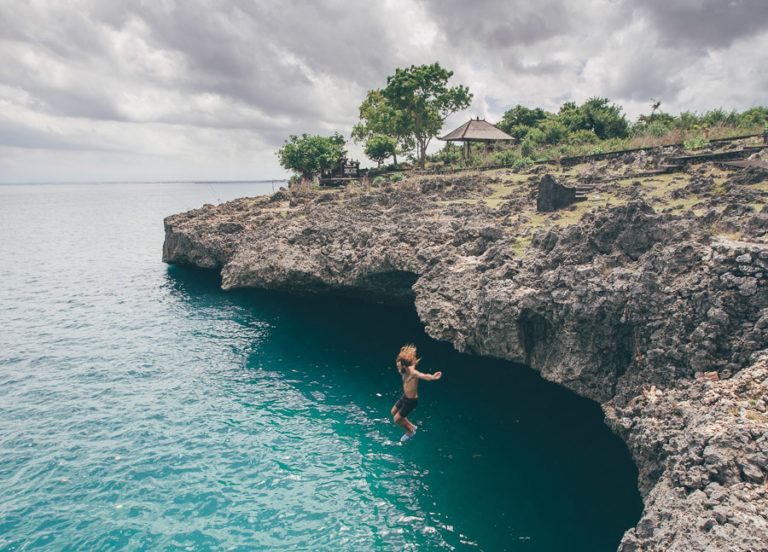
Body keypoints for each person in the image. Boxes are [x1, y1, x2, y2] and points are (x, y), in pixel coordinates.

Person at [391, 344, 442, 443]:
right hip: (404, 397)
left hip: (411, 401)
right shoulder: (405, 368)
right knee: (393, 411)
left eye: (399, 366)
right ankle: (412, 426)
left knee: (396, 419)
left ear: (405, 366)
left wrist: (433, 377)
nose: (398, 369)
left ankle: (410, 431)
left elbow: (424, 376)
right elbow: (411, 363)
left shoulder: (413, 373)